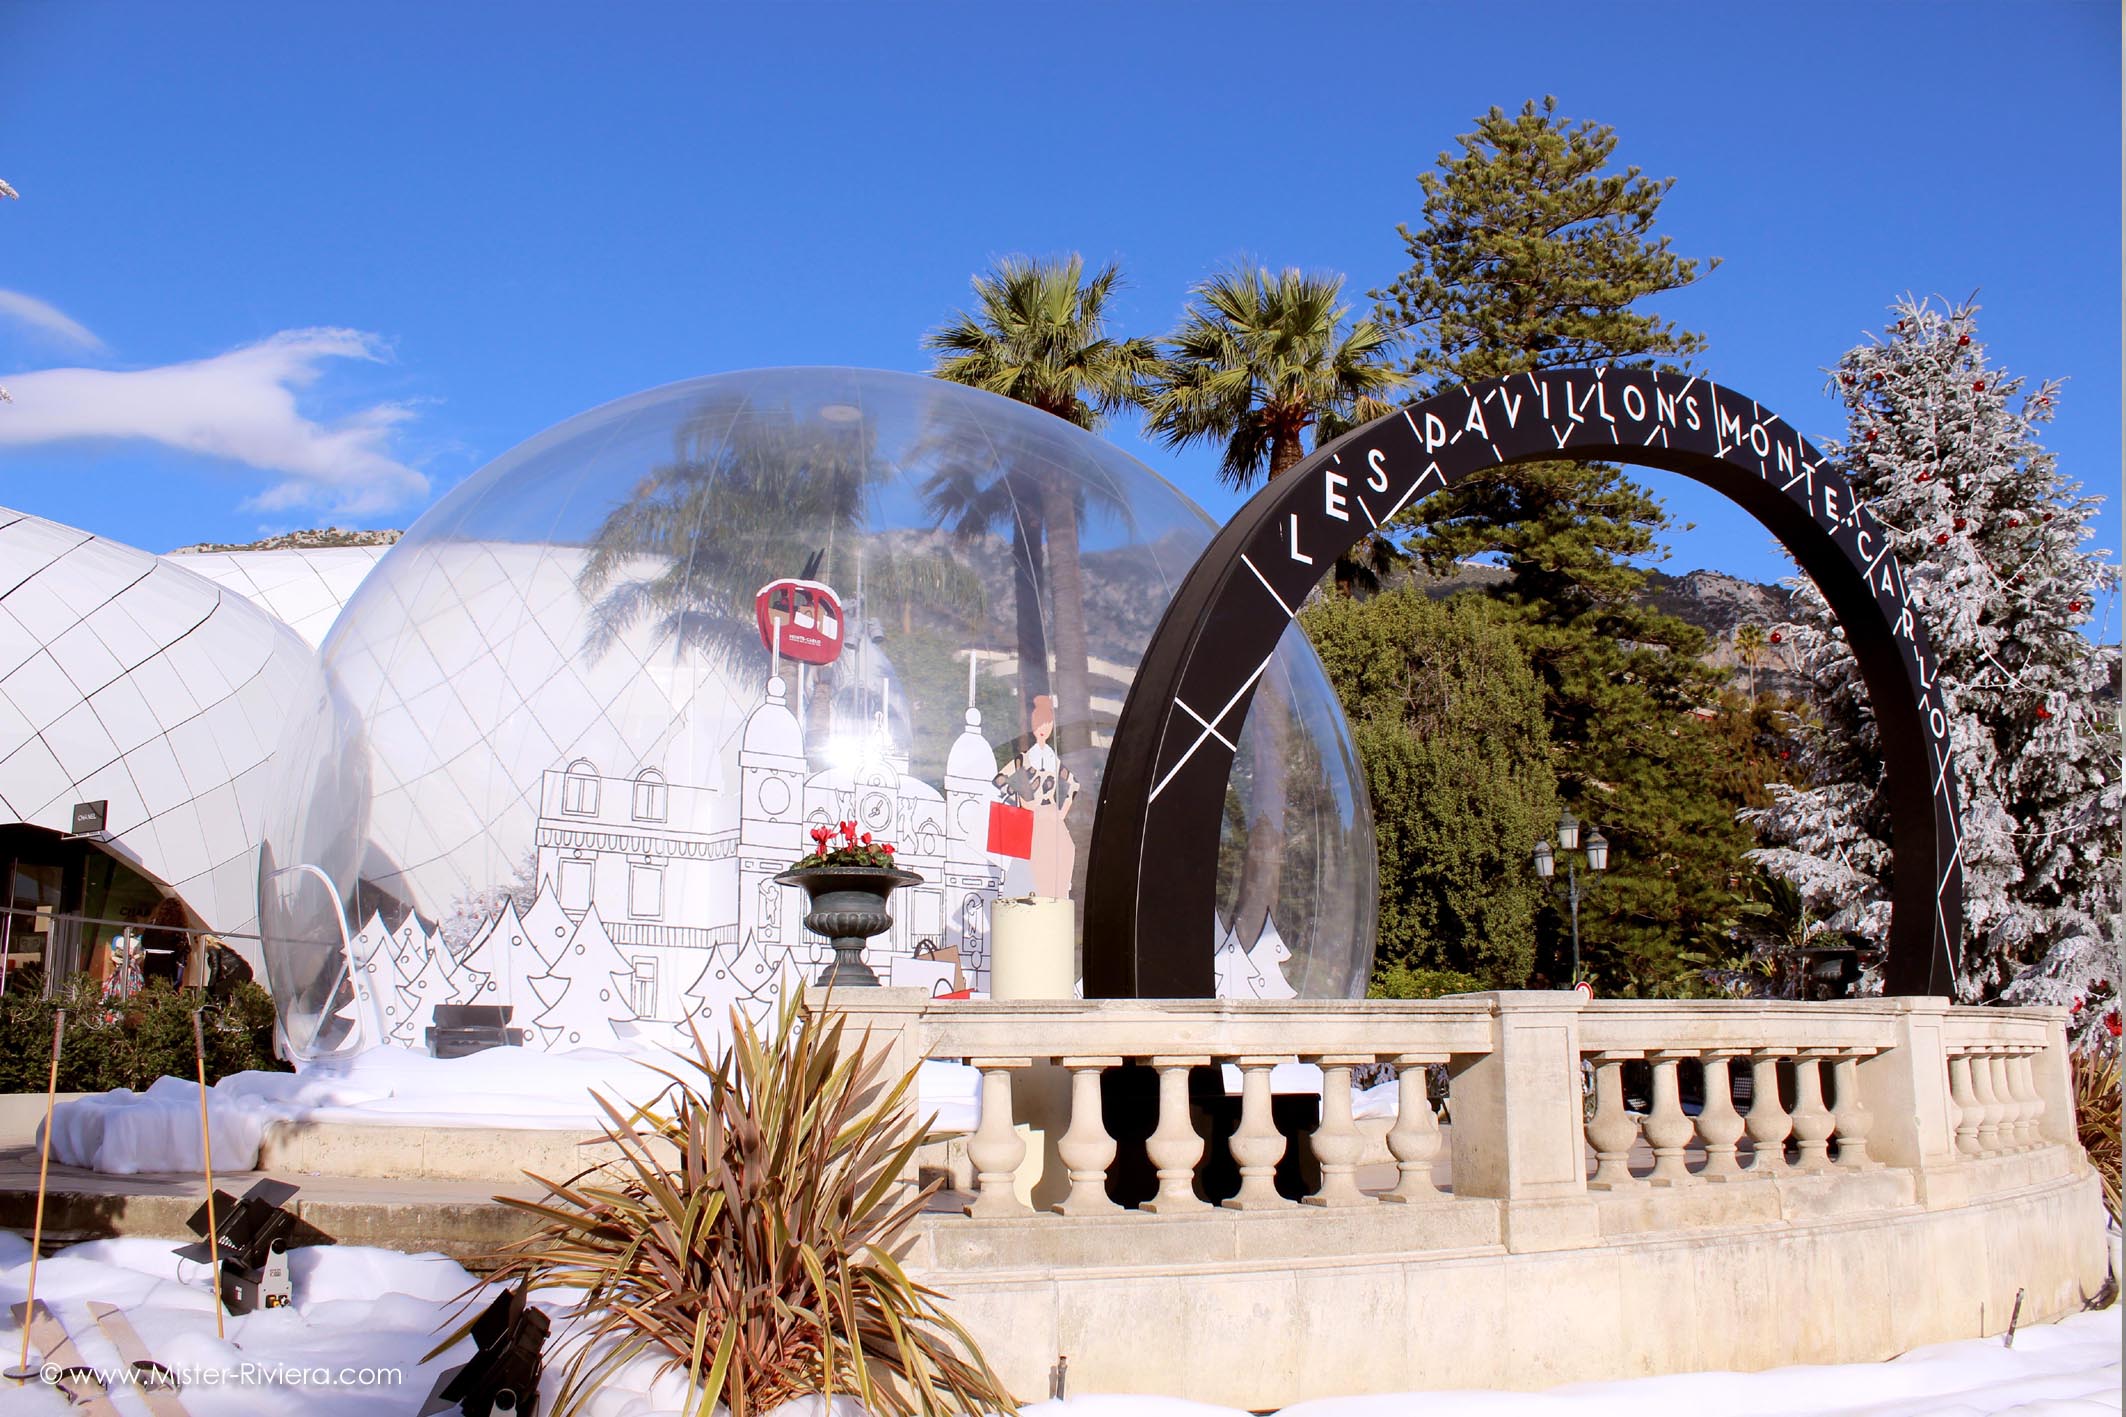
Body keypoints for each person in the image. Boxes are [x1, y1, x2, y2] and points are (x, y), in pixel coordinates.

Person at [994, 695, 1079, 899]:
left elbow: (1075, 783)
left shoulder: (1053, 760)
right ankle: (1043, 899)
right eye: (1040, 724)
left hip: (1052, 816)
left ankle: (1057, 899)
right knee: (1039, 862)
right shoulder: (1025, 758)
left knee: (1067, 850)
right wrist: (1021, 801)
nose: (1043, 729)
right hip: (1036, 817)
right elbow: (999, 779)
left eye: (1047, 724)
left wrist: (1063, 811)